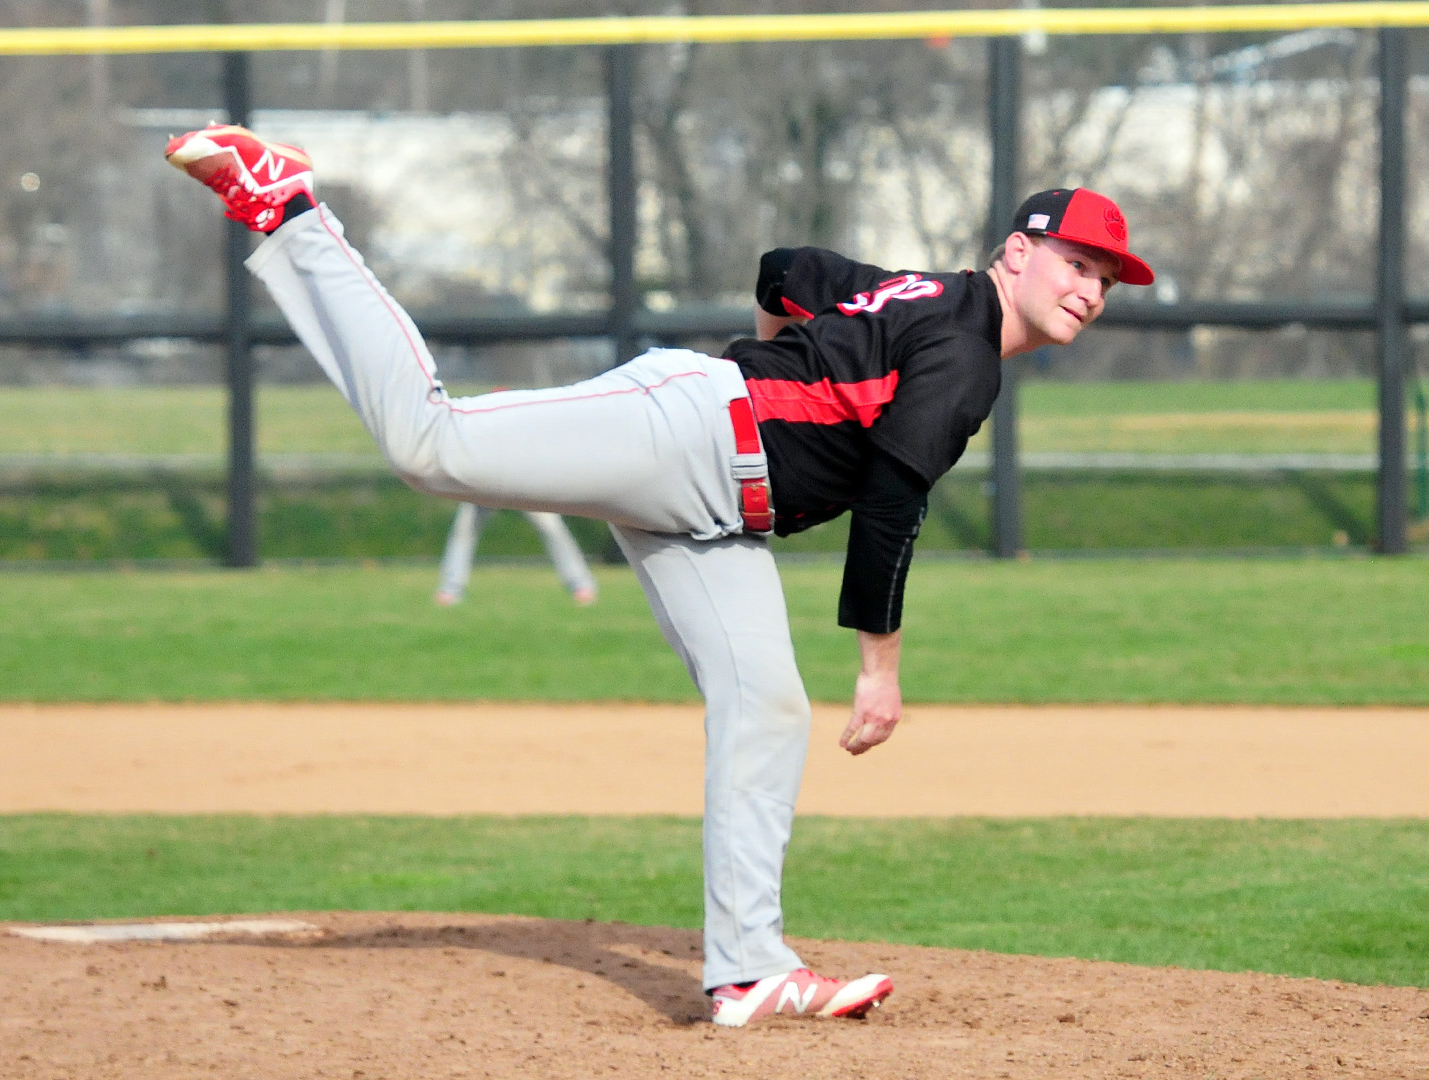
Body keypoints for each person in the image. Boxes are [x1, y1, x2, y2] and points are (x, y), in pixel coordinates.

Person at [165, 123, 1152, 1027]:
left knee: (765, 706)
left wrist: (784, 367)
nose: (1090, 292)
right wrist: (879, 667)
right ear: (1017, 253)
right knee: (434, 446)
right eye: (1077, 264)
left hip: (718, 502)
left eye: (1105, 282)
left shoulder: (919, 295)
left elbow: (786, 271)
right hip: (688, 436)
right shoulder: (966, 352)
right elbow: (894, 494)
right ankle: (289, 205)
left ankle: (749, 972)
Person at [435, 503, 598, 607]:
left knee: (551, 527)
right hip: (486, 478)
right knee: (464, 529)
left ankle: (580, 585)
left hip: (519, 479)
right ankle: (451, 588)